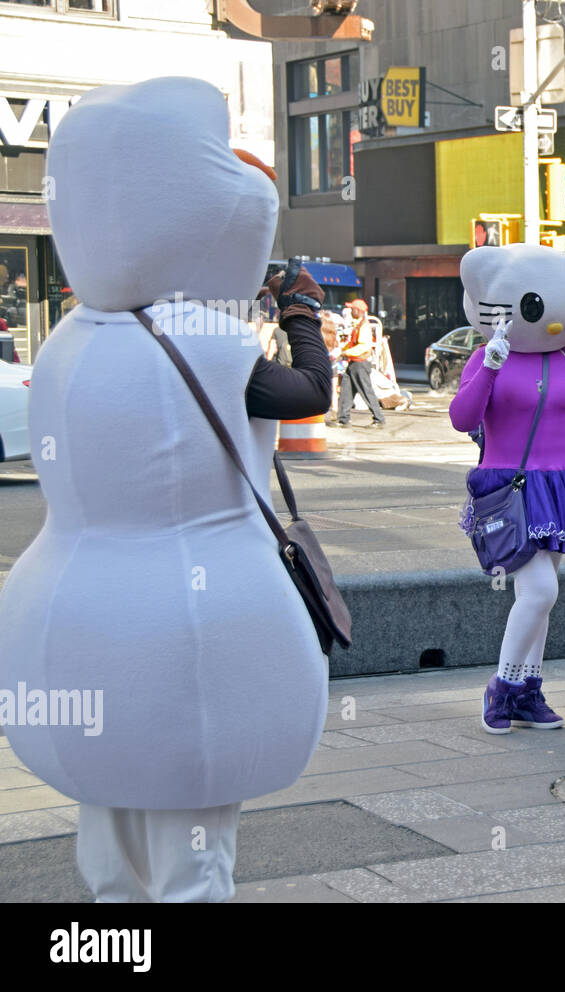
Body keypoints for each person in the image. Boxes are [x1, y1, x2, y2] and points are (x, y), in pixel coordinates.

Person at [0, 76, 332, 902]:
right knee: (194, 845)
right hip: (192, 628)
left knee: (110, 822)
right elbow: (308, 394)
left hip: (68, 613)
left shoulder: (70, 340)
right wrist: (301, 316)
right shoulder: (210, 342)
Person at [450, 240, 565, 733]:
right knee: (540, 590)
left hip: (560, 485)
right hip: (511, 487)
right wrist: (491, 365)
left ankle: (529, 691)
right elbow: (462, 418)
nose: (560, 322)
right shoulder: (487, 356)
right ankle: (501, 687)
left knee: (542, 594)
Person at [338, 298, 385, 427]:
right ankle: (343, 418)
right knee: (346, 391)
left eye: (352, 309)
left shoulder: (363, 327)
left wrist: (345, 352)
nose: (350, 310)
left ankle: (379, 418)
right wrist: (343, 350)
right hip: (354, 363)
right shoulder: (358, 325)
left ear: (358, 311)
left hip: (360, 364)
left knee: (366, 391)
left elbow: (364, 346)